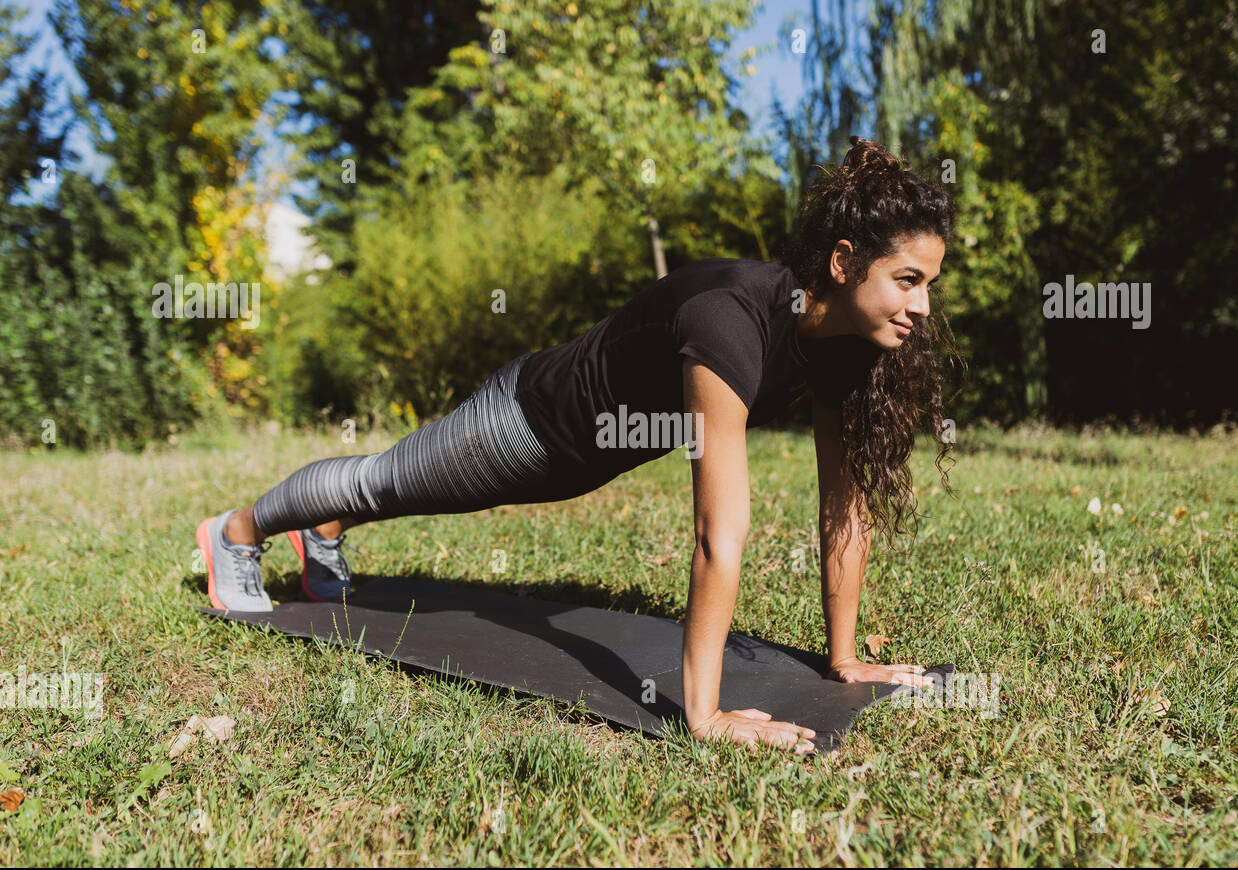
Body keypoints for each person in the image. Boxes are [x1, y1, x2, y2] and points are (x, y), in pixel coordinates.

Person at [195, 137, 964, 755]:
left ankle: (321, 532)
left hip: (584, 459)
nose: (922, 304)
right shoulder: (730, 320)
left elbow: (844, 509)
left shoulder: (843, 346)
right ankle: (237, 531)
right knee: (386, 479)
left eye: (928, 282)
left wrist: (845, 656)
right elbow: (716, 532)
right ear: (842, 263)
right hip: (525, 421)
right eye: (907, 280)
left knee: (388, 490)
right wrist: (705, 714)